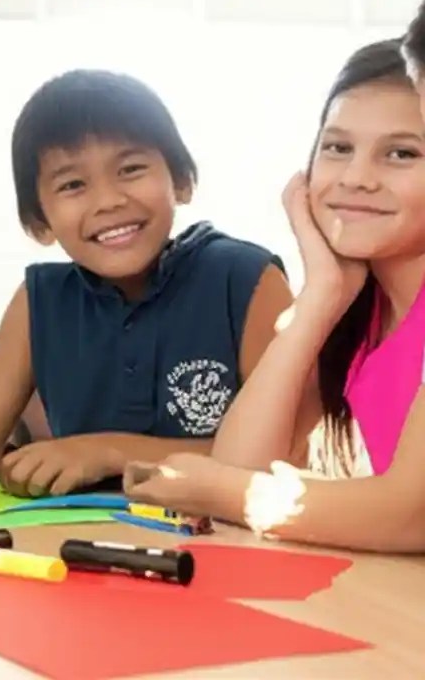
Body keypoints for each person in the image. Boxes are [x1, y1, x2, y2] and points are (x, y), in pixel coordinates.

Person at [0, 69, 292, 506]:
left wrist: (107, 452)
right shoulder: (37, 301)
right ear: (39, 221)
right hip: (76, 549)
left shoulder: (247, 280)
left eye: (131, 168)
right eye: (73, 184)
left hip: (229, 547)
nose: (109, 201)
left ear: (180, 180)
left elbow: (285, 455)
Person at [125, 38, 425, 553]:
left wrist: (219, 491)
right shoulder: (356, 315)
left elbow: (409, 516)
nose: (356, 178)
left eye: (401, 154)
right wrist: (320, 297)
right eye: (337, 148)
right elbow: (244, 463)